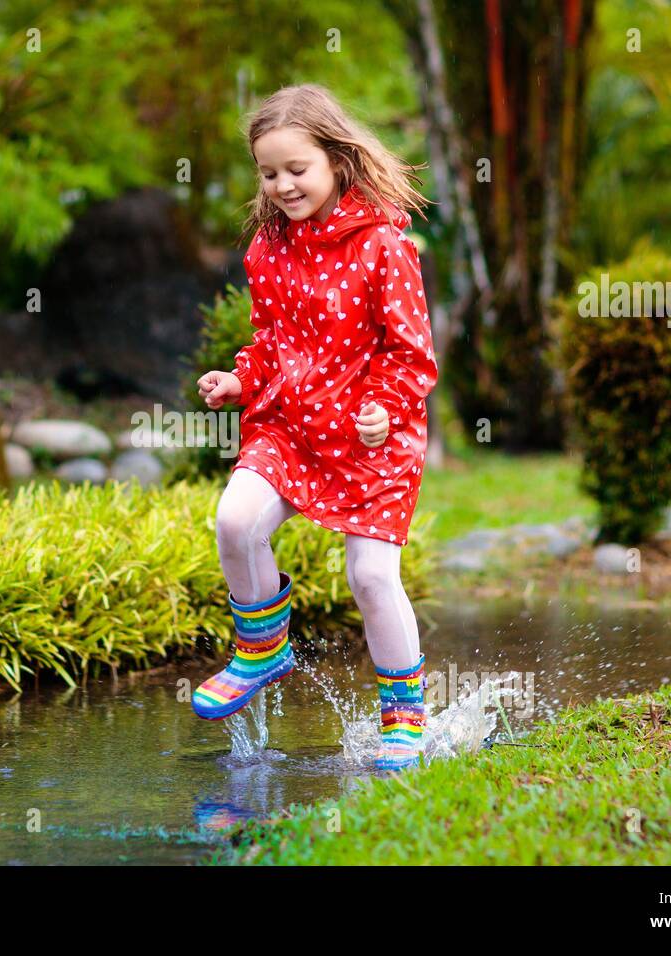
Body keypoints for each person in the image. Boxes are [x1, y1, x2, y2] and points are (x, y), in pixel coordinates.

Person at [193, 83, 439, 772]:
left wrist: (385, 406)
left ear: (336, 158)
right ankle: (262, 651)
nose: (282, 185)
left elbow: (413, 352)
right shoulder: (268, 249)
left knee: (369, 576)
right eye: (269, 173)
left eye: (296, 169)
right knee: (236, 522)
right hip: (294, 425)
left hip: (372, 437)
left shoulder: (384, 245)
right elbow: (272, 337)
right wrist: (243, 379)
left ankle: (403, 719)